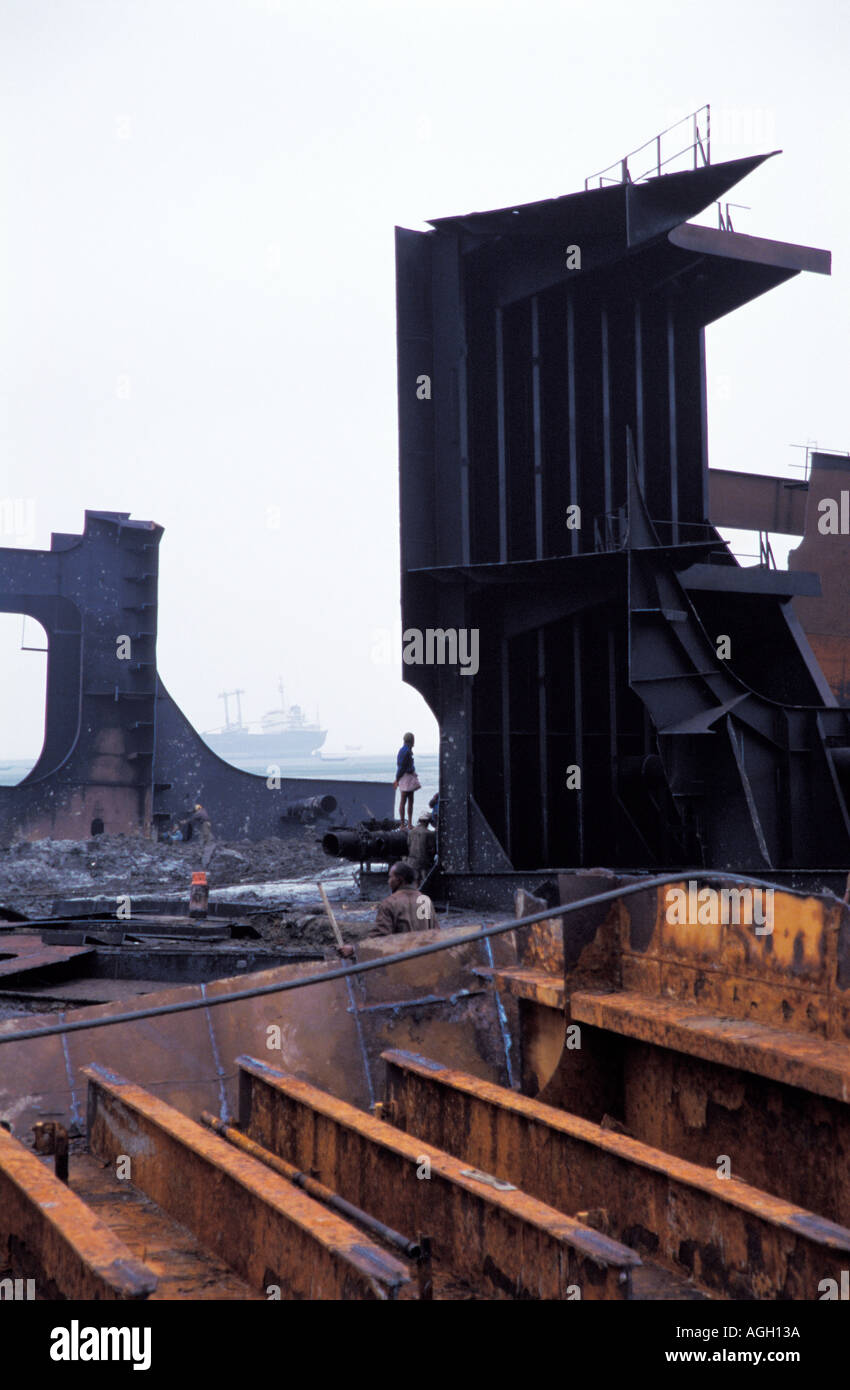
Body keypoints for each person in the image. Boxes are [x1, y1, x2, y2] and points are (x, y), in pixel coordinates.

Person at [375, 860, 436, 934]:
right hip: (424, 945)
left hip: (401, 945)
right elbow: (435, 932)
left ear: (399, 879)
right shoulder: (425, 900)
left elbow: (380, 937)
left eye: (390, 877)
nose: (388, 881)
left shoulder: (389, 903)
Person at [394, 732, 420, 828]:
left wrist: (397, 778)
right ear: (411, 741)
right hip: (406, 776)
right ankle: (405, 823)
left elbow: (400, 766)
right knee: (407, 801)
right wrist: (397, 779)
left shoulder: (404, 750)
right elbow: (401, 767)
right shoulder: (406, 751)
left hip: (405, 776)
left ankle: (404, 824)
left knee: (405, 801)